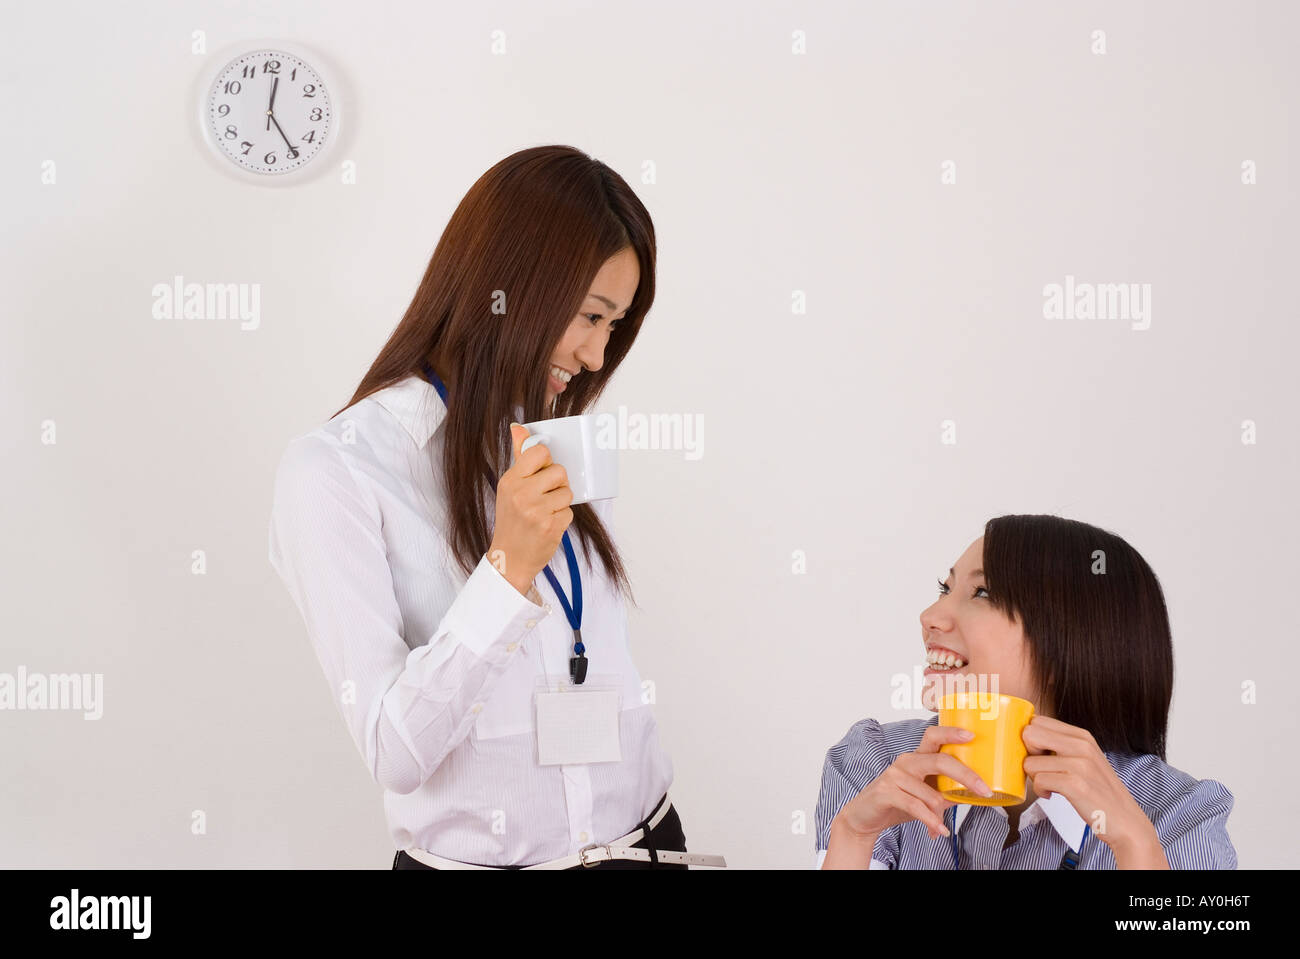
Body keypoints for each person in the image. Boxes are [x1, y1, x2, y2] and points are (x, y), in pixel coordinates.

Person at [268, 145, 724, 870]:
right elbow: (394, 749)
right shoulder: (336, 471)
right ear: (508, 285)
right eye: (590, 316)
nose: (597, 356)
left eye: (616, 325)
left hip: (649, 843)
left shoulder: (544, 438)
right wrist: (505, 570)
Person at [815, 514, 1237, 869]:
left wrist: (1135, 846)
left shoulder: (1181, 816)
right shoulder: (873, 763)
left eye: (982, 593)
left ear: (1073, 636)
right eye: (945, 588)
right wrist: (854, 835)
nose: (930, 616)